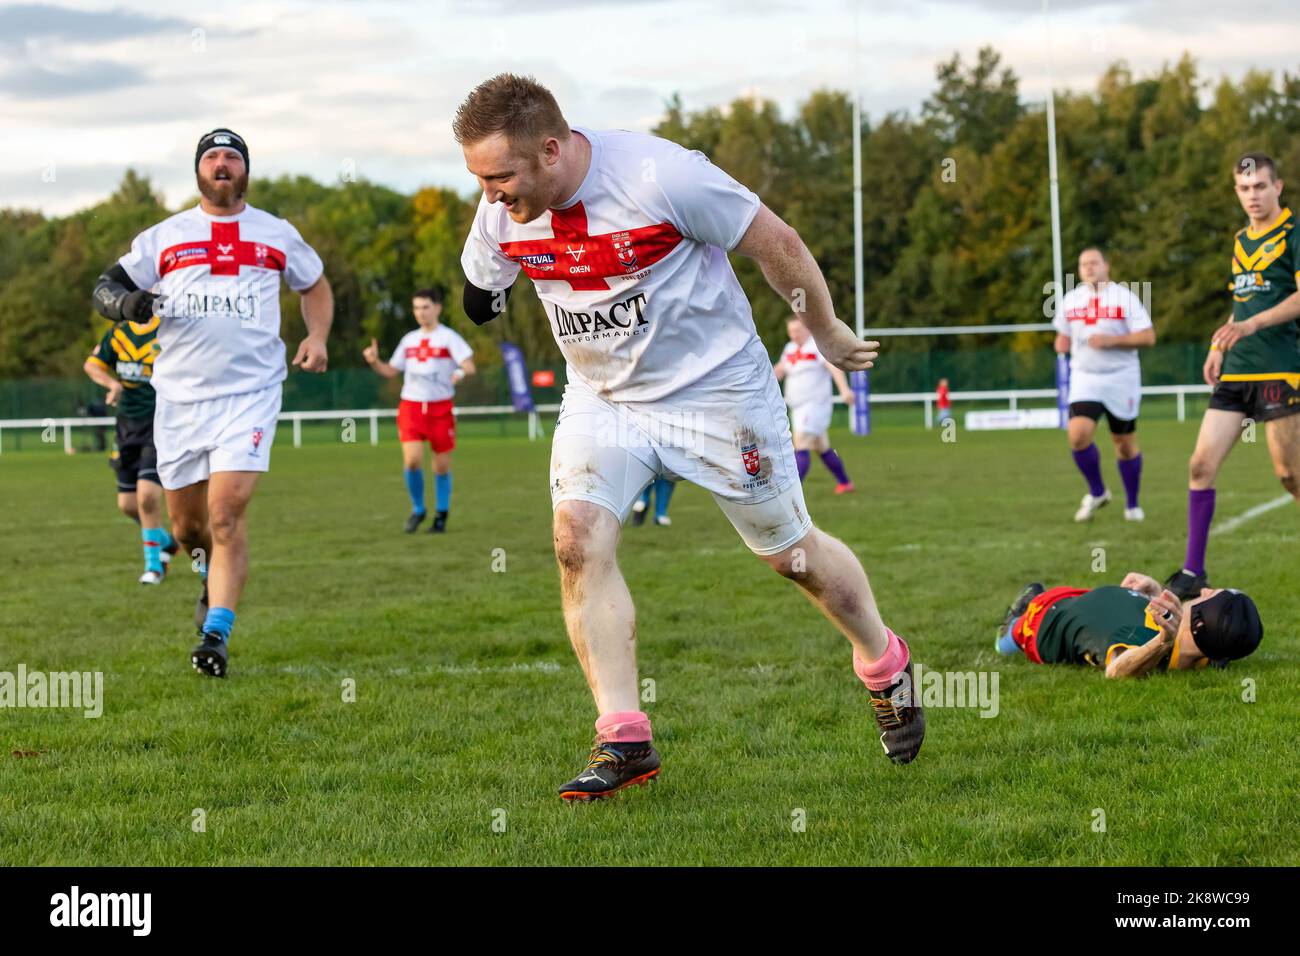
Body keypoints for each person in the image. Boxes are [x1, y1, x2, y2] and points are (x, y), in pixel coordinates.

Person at [456, 74, 925, 801]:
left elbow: (777, 242)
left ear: (550, 150)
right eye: (479, 179)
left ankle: (883, 661)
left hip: (717, 392)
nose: (491, 195)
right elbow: (482, 289)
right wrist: (488, 293)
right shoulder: (502, 213)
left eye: (500, 177)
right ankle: (624, 737)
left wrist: (827, 331)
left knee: (792, 557)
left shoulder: (661, 175)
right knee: (576, 540)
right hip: (603, 399)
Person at [91, 128, 333, 677]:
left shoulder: (276, 233)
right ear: (198, 171)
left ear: (245, 170)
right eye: (212, 156)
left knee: (226, 515)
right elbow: (104, 287)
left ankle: (215, 634)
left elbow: (314, 286)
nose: (222, 164)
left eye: (232, 156)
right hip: (178, 400)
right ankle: (205, 570)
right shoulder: (168, 235)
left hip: (250, 395)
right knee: (189, 530)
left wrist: (316, 337)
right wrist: (128, 302)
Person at [1167, 152, 1300, 599]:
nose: (1253, 196)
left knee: (1290, 476)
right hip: (1237, 371)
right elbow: (1240, 306)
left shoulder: (1294, 233)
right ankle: (1192, 571)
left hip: (1282, 371)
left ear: (1277, 187)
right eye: (1244, 189)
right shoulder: (1240, 240)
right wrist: (1218, 344)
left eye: (1260, 186)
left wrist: (1252, 325)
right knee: (1200, 466)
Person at [1053, 247, 1156, 522]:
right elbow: (1062, 335)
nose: (1088, 268)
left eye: (1094, 263)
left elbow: (1148, 337)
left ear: (1106, 266)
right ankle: (1098, 492)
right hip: (1084, 378)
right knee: (1078, 436)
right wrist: (1061, 343)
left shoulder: (1126, 297)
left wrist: (1111, 341)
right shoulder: (1070, 300)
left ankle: (1132, 504)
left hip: (1121, 378)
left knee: (1123, 444)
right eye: (1083, 264)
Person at [362, 286, 475, 533]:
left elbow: (469, 366)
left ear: (437, 308)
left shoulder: (449, 337)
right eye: (416, 308)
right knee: (412, 461)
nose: (421, 313)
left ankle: (441, 515)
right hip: (411, 407)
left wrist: (458, 372)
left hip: (440, 409)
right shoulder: (409, 340)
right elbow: (391, 371)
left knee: (441, 466)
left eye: (425, 307)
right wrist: (374, 362)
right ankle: (418, 510)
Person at [994, 575, 1262, 679]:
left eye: (1208, 595)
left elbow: (1116, 670)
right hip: (1078, 598)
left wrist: (1161, 641)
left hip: (1043, 620)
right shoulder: (1207, 653)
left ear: (1200, 622)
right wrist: (1156, 592)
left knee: (1009, 638)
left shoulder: (1153, 641)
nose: (1202, 589)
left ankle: (1015, 619)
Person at [82, 309, 178, 584]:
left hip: (159, 424)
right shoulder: (119, 334)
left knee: (147, 497)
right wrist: (112, 384)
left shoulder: (167, 331)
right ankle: (168, 542)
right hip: (126, 427)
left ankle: (154, 566)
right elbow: (92, 364)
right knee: (127, 504)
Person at [773, 315, 856, 492]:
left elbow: (833, 367)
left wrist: (844, 389)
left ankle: (791, 492)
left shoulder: (818, 346)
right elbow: (780, 369)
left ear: (807, 329)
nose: (793, 335)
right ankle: (845, 483)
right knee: (821, 447)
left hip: (815, 405)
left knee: (800, 443)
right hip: (797, 407)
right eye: (791, 332)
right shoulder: (790, 349)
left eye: (797, 330)